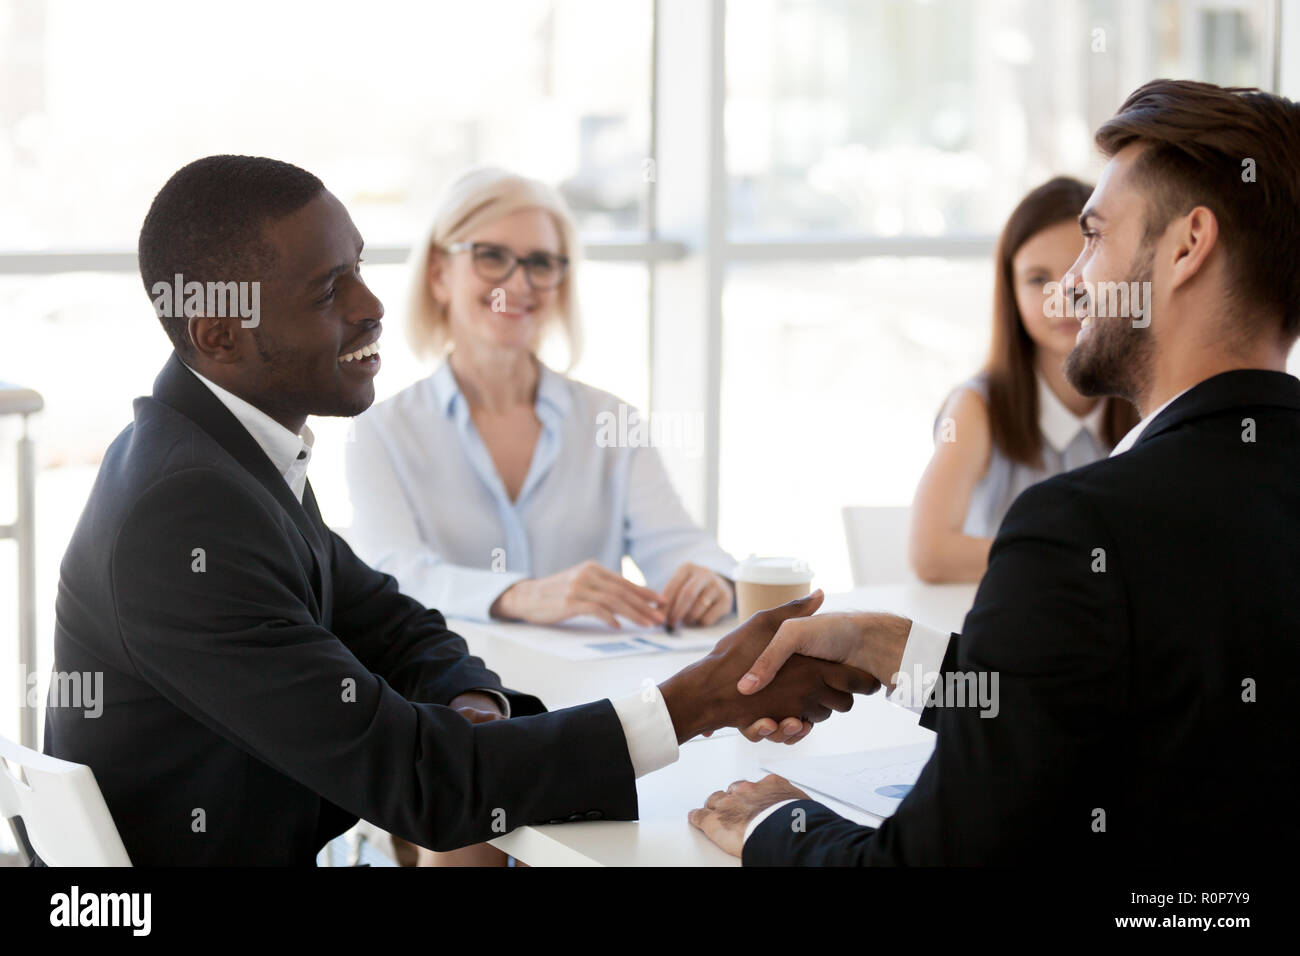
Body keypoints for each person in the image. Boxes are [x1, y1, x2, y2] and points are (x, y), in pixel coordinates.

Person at [39, 155, 876, 866]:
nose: (371, 305)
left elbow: (395, 624)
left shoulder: (228, 457)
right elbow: (425, 787)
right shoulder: (188, 509)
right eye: (330, 288)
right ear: (218, 333)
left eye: (360, 267)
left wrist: (473, 712)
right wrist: (701, 700)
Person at [690, 79, 1300, 864]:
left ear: (1187, 246)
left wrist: (777, 824)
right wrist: (900, 652)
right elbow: (1145, 709)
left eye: (1095, 237)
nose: (1072, 283)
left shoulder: (1081, 524)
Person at [345, 167, 735, 634]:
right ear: (438, 274)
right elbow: (394, 577)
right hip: (454, 697)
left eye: (541, 263)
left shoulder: (611, 421)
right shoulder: (381, 431)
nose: (519, 283)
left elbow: (681, 547)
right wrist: (521, 596)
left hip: (591, 690)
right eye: (492, 256)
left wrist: (714, 581)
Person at [909, 177, 1137, 583]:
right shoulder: (977, 408)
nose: (1063, 295)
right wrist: (1073, 558)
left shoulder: (1146, 399)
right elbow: (930, 553)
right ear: (1010, 292)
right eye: (1037, 279)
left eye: (1081, 269)